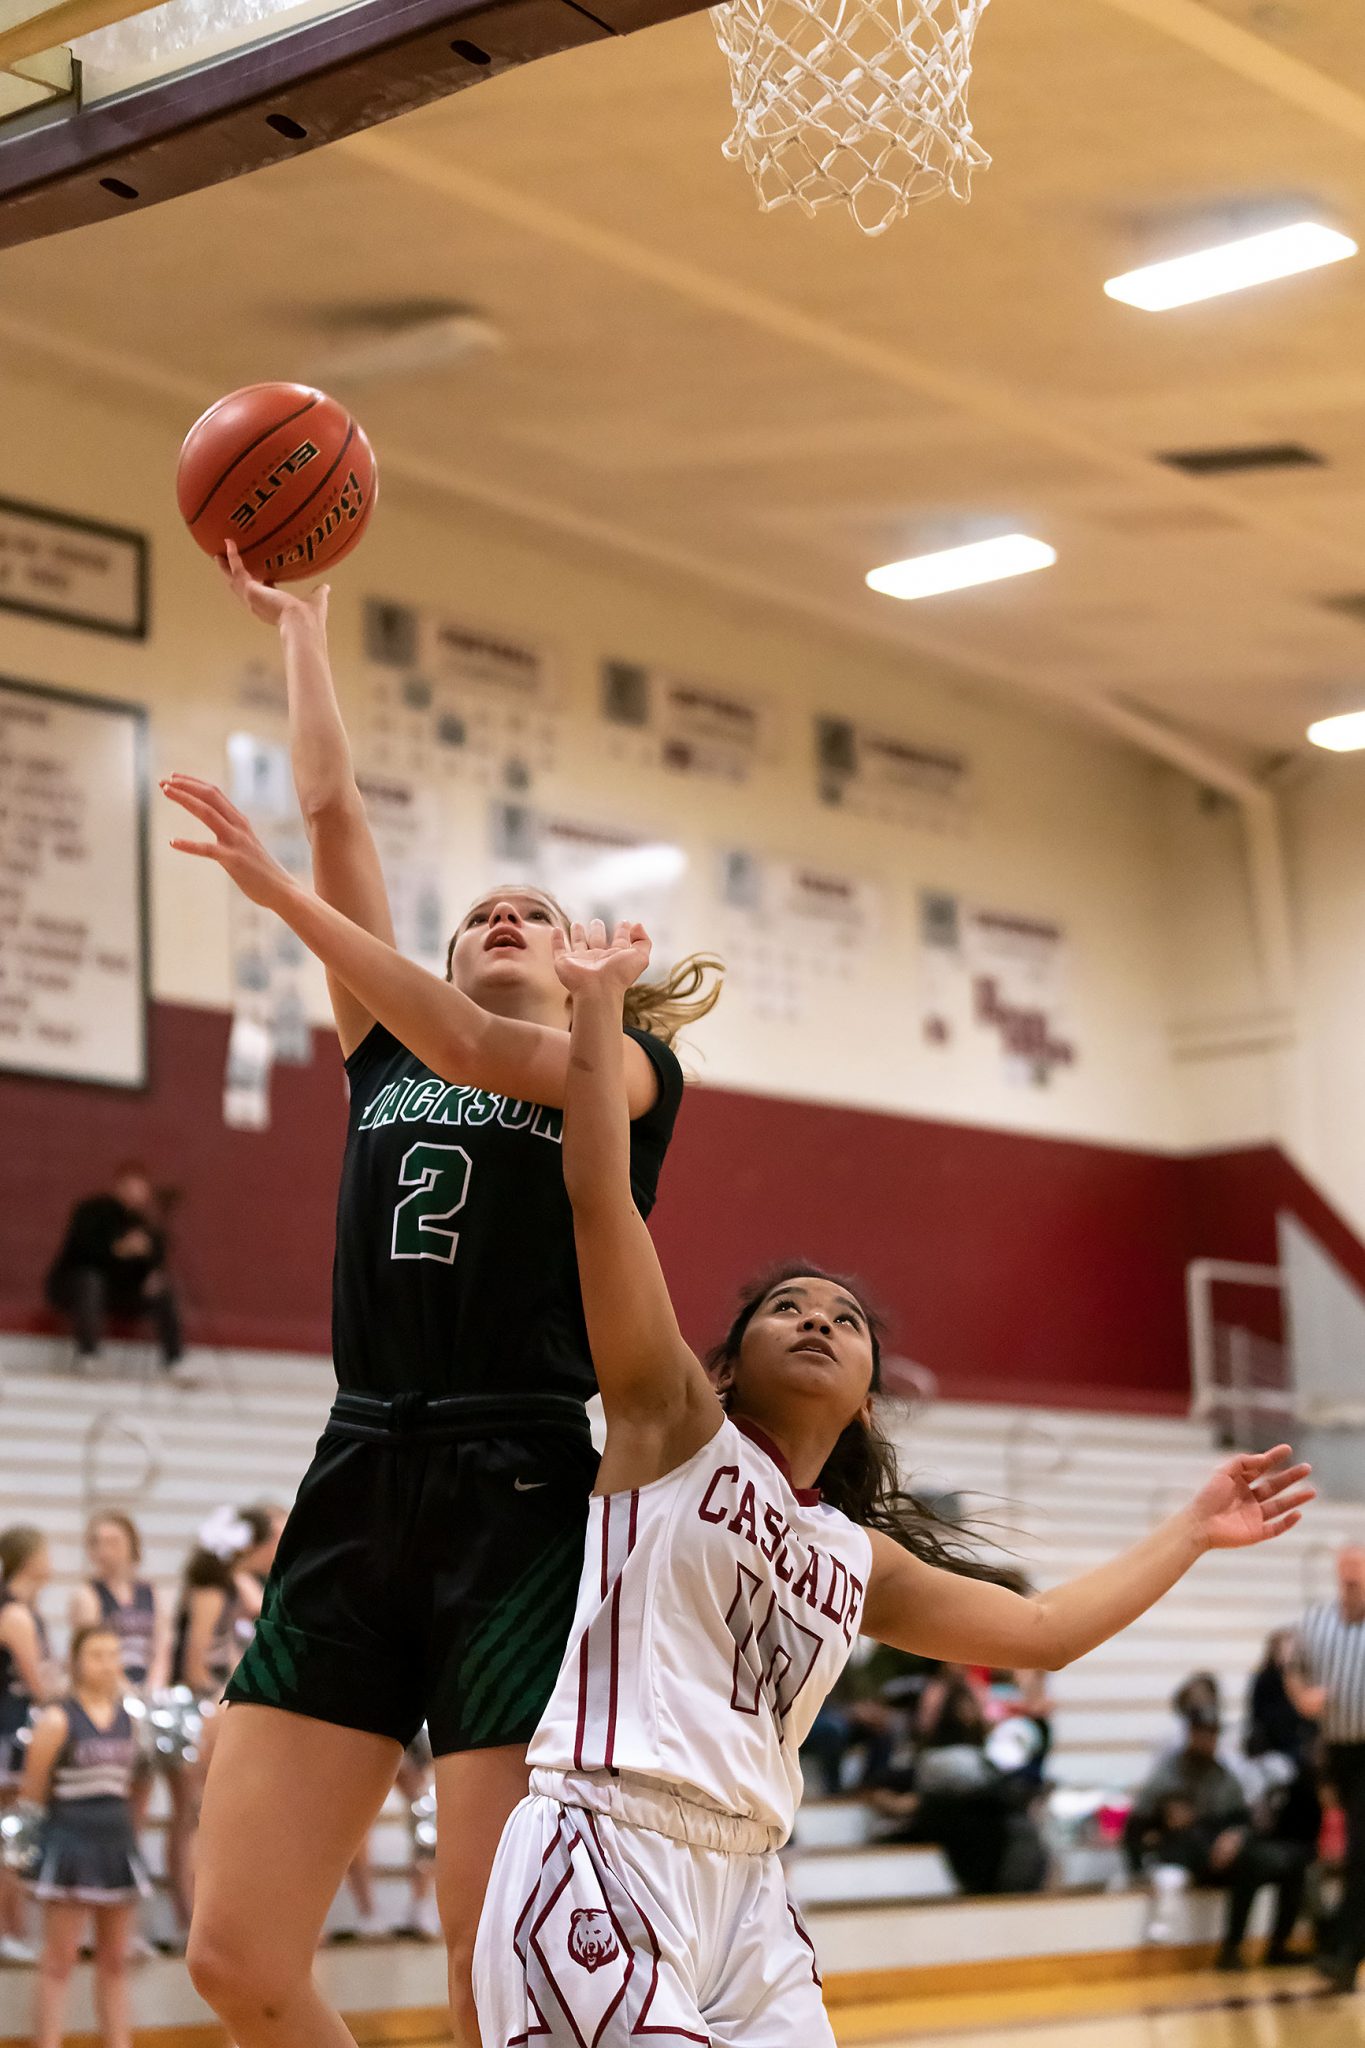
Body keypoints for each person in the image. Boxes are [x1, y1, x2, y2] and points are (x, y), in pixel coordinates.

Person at [472, 917, 1315, 2047]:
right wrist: (594, 1011)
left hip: (748, 1888)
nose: (818, 1319)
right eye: (786, 1307)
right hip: (603, 1842)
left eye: (846, 1318)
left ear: (869, 1394)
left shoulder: (853, 1553)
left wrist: (1194, 1529)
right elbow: (599, 1200)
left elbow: (1044, 1632)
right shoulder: (670, 1424)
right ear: (724, 1366)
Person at [162, 544, 718, 2048]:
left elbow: (484, 1050)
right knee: (235, 1954)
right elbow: (336, 812)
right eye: (479, 915)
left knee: (491, 1968)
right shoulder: (389, 1051)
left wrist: (278, 901)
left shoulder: (627, 1069)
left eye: (533, 910)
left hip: (519, 1484)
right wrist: (304, 632)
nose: (501, 920)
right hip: (359, 1467)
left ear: (590, 958)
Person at [22, 1623, 148, 2048]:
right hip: (70, 1845)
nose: (107, 1664)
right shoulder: (58, 1718)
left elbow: (139, 1785)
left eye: (114, 1655)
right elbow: (32, 1795)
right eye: (97, 1655)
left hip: (118, 1845)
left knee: (115, 1961)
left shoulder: (132, 1720)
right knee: (59, 1961)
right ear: (76, 1662)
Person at [1125, 1705, 1310, 1969]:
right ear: (1191, 1734)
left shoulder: (1223, 1775)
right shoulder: (1167, 1774)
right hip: (1185, 1855)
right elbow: (1136, 1826)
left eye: (1213, 1734)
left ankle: (1278, 1946)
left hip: (1224, 1853)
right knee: (1251, 1863)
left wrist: (1235, 1836)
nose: (1208, 1740)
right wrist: (1138, 1870)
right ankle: (1231, 1949)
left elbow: (1242, 1821)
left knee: (1293, 1858)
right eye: (1202, 1733)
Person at [1292, 1542, 1365, 1993]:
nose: (1351, 1580)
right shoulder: (1315, 1623)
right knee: (1345, 1856)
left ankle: (1344, 1954)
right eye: (1347, 1572)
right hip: (1337, 1753)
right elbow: (1293, 1669)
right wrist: (1303, 1697)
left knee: (1361, 1856)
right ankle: (1342, 1949)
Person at [45, 1164, 184, 1375]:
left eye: (140, 1189)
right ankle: (88, 1354)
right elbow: (83, 1252)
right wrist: (120, 1248)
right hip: (77, 1286)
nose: (135, 1194)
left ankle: (174, 1361)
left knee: (162, 1292)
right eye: (131, 1187)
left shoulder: (142, 1224)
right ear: (119, 1186)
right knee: (91, 1282)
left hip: (119, 1293)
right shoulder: (92, 1211)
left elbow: (150, 1265)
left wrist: (152, 1272)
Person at [0, 1524, 55, 1965]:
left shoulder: (27, 1609)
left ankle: (13, 1928)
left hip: (17, 1730)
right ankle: (7, 1929)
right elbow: (40, 1686)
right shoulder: (16, 1613)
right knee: (11, 1831)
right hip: (10, 1732)